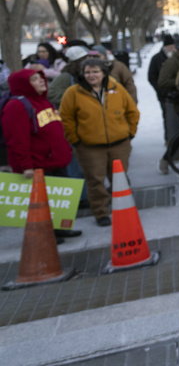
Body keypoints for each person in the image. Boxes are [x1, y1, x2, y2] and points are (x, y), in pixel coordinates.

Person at [58, 58, 139, 226]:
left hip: (120, 144)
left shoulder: (116, 89)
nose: (91, 75)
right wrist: (75, 139)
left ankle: (123, 209)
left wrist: (130, 133)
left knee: (120, 179)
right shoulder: (73, 93)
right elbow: (66, 118)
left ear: (103, 73)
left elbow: (132, 112)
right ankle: (101, 212)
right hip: (90, 148)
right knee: (96, 181)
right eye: (87, 72)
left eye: (95, 72)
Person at [1, 68, 77, 241]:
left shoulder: (43, 101)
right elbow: (16, 141)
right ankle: (46, 235)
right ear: (23, 85)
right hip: (38, 165)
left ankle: (60, 229)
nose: (42, 81)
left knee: (59, 201)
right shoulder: (16, 106)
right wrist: (25, 166)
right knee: (43, 204)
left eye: (41, 78)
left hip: (56, 162)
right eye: (34, 79)